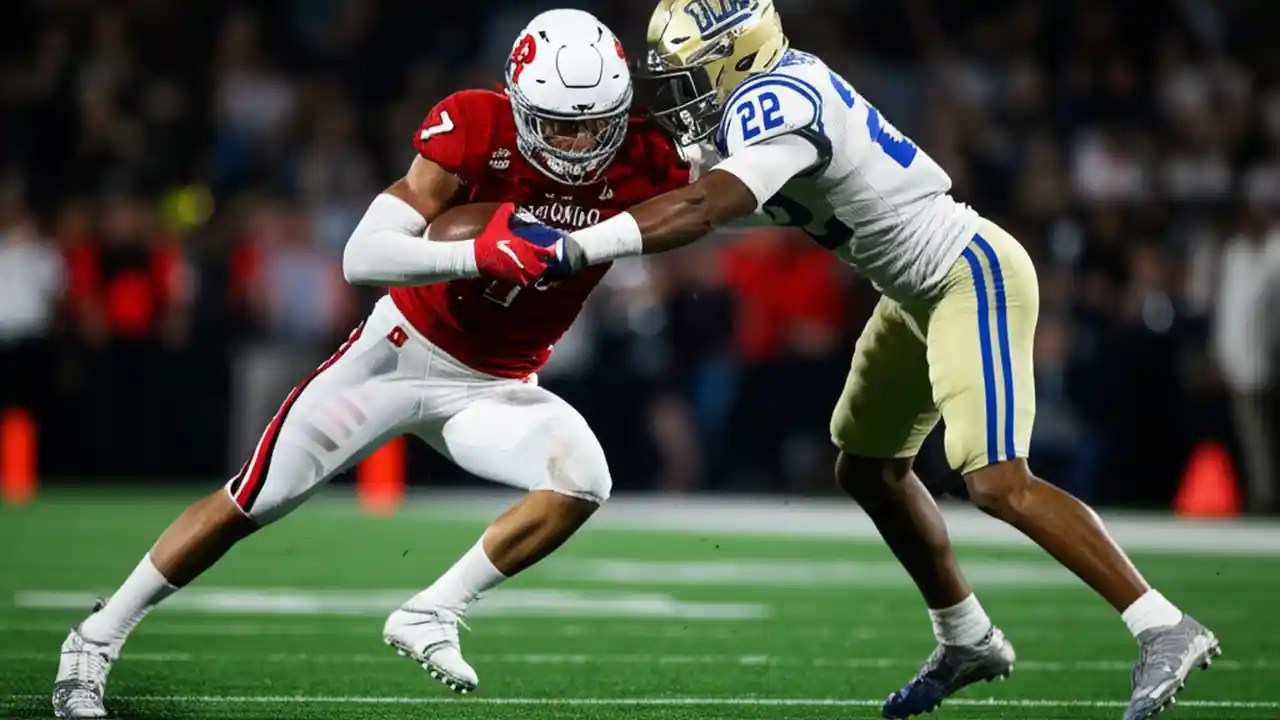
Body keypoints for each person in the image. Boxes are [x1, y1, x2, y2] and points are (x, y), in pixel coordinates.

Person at [543, 2, 1221, 718]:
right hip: (911, 293)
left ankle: (1162, 625)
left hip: (967, 272)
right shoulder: (764, 103)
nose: (680, 91)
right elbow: (718, 203)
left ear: (735, 51)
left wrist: (582, 245)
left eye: (689, 71)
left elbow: (708, 209)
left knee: (996, 482)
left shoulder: (774, 99)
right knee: (866, 465)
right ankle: (966, 637)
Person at [52, 9, 691, 718]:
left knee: (583, 479)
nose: (578, 142)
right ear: (517, 102)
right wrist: (472, 252)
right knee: (251, 500)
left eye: (596, 124)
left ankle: (433, 611)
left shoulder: (646, 158)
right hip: (397, 359)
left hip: (497, 385)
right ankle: (92, 641)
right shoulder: (475, 127)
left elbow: (727, 204)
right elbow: (362, 256)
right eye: (560, 123)